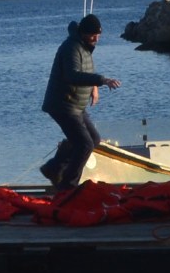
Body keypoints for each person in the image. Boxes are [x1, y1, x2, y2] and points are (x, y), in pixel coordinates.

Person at [37, 14, 117, 191]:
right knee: (84, 144)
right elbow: (72, 75)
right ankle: (68, 186)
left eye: (98, 35)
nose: (96, 39)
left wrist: (94, 87)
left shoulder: (85, 46)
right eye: (93, 35)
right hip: (62, 104)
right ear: (84, 33)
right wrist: (101, 80)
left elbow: (86, 69)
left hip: (76, 105)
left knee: (94, 139)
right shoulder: (71, 47)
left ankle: (53, 168)